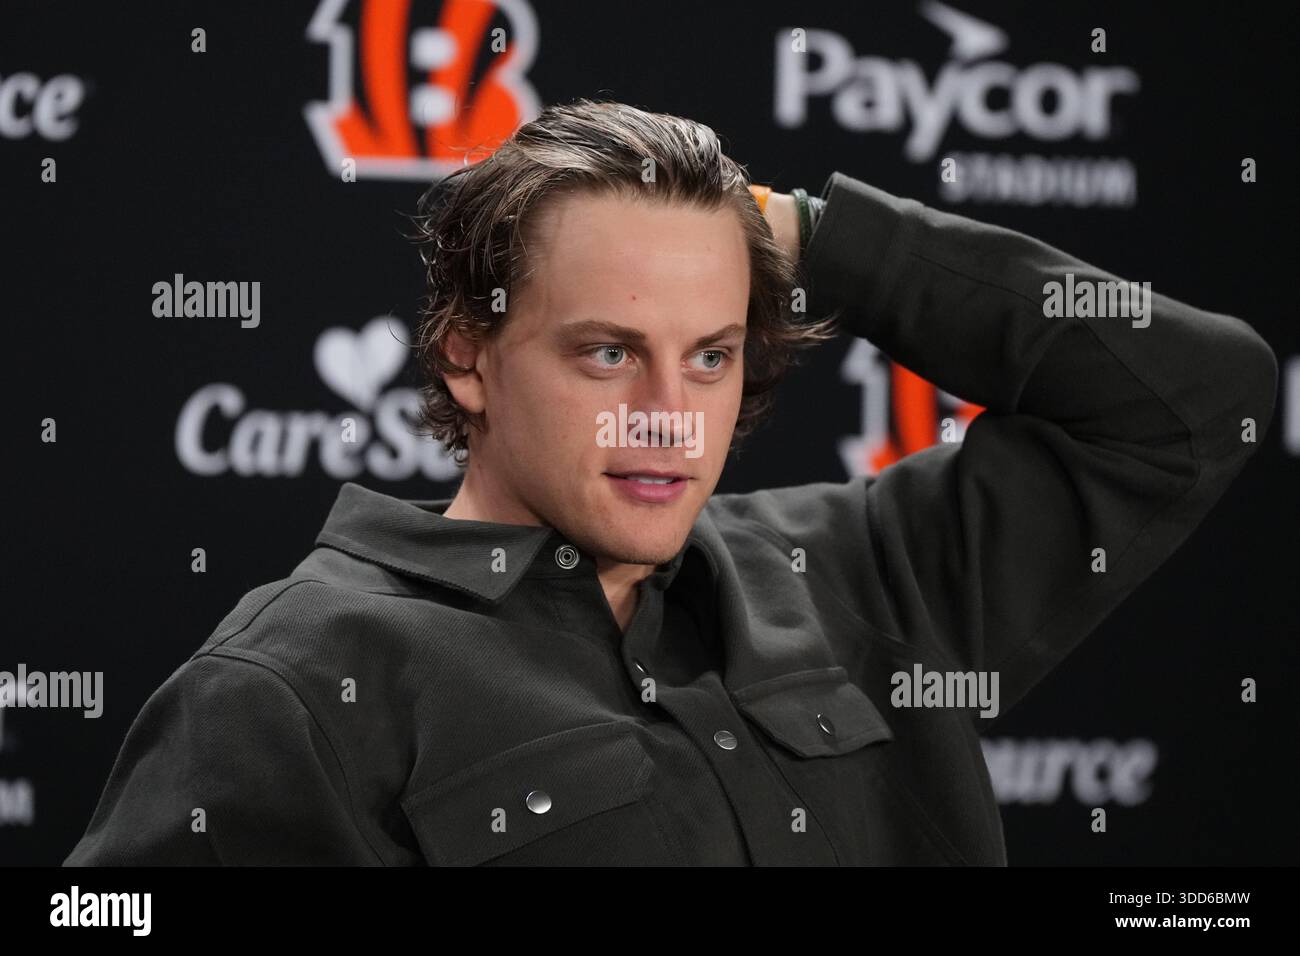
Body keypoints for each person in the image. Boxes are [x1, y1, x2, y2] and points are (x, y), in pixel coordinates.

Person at [65, 98, 1276, 865]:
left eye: (711, 354)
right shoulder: (288, 687)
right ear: (465, 355)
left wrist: (806, 234)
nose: (665, 414)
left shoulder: (864, 568)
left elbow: (1191, 401)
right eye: (607, 351)